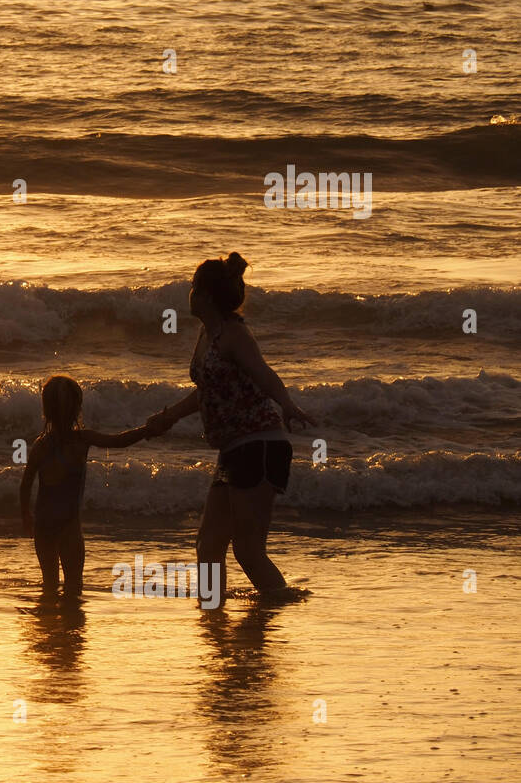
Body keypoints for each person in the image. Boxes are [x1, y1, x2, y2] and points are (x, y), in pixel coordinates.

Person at [146, 252, 315, 608]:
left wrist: (285, 403)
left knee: (248, 551)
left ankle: (280, 613)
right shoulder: (208, 334)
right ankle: (212, 614)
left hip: (260, 446)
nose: (189, 292)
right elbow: (209, 390)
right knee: (208, 545)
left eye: (194, 287)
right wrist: (169, 418)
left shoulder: (235, 334)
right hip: (233, 450)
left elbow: (263, 373)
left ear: (206, 295)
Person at [19, 375, 157, 597]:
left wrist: (26, 515)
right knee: (74, 586)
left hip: (43, 525)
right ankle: (69, 627)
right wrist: (146, 430)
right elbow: (119, 441)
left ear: (46, 410)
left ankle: (49, 626)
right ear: (77, 409)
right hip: (68, 525)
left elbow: (25, 484)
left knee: (50, 584)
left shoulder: (40, 445)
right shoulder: (82, 439)